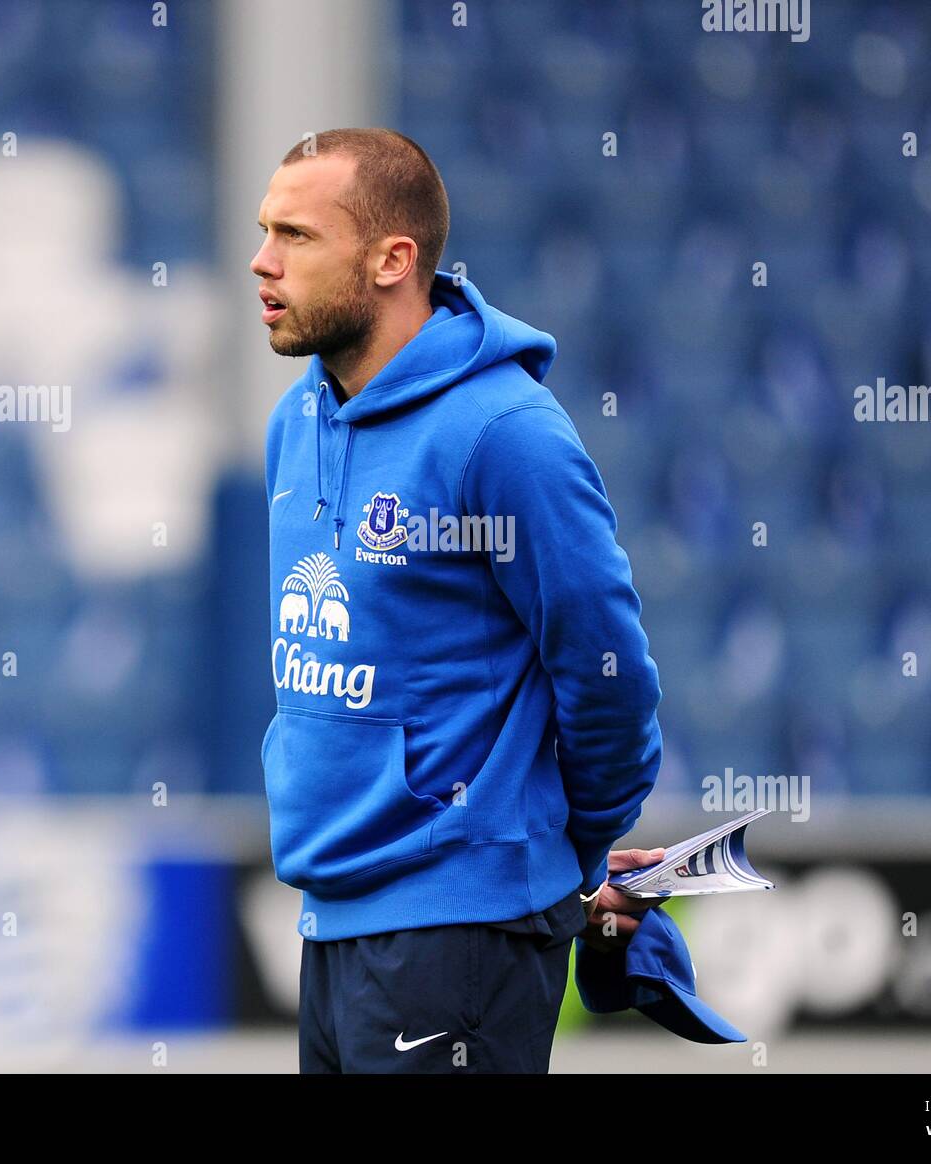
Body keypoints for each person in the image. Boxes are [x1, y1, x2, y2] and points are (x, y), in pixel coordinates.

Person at [253, 128, 666, 1073]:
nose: (262, 261)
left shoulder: (504, 433)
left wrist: (576, 848)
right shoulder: (296, 419)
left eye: (296, 236)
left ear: (393, 260)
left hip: (459, 932)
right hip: (334, 925)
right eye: (263, 231)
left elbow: (608, 671)